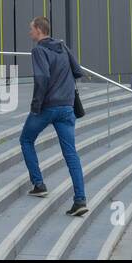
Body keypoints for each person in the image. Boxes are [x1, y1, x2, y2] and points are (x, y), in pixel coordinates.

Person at [20, 16, 88, 216]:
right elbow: (77, 71)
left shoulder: (39, 50)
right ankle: (80, 200)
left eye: (31, 29)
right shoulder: (62, 46)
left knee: (26, 140)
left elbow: (42, 78)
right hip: (67, 107)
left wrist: (36, 106)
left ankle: (39, 184)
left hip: (48, 106)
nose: (29, 32)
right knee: (71, 153)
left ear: (39, 30)